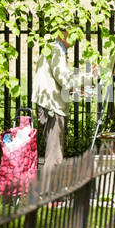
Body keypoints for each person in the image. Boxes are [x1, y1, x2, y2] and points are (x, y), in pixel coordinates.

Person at [32, 31, 79, 175]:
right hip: (52, 106)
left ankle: (51, 192)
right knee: (54, 153)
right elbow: (64, 79)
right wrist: (89, 77)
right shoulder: (56, 50)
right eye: (73, 34)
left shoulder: (53, 49)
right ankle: (48, 193)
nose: (75, 39)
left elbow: (60, 80)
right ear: (63, 34)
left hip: (49, 103)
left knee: (55, 151)